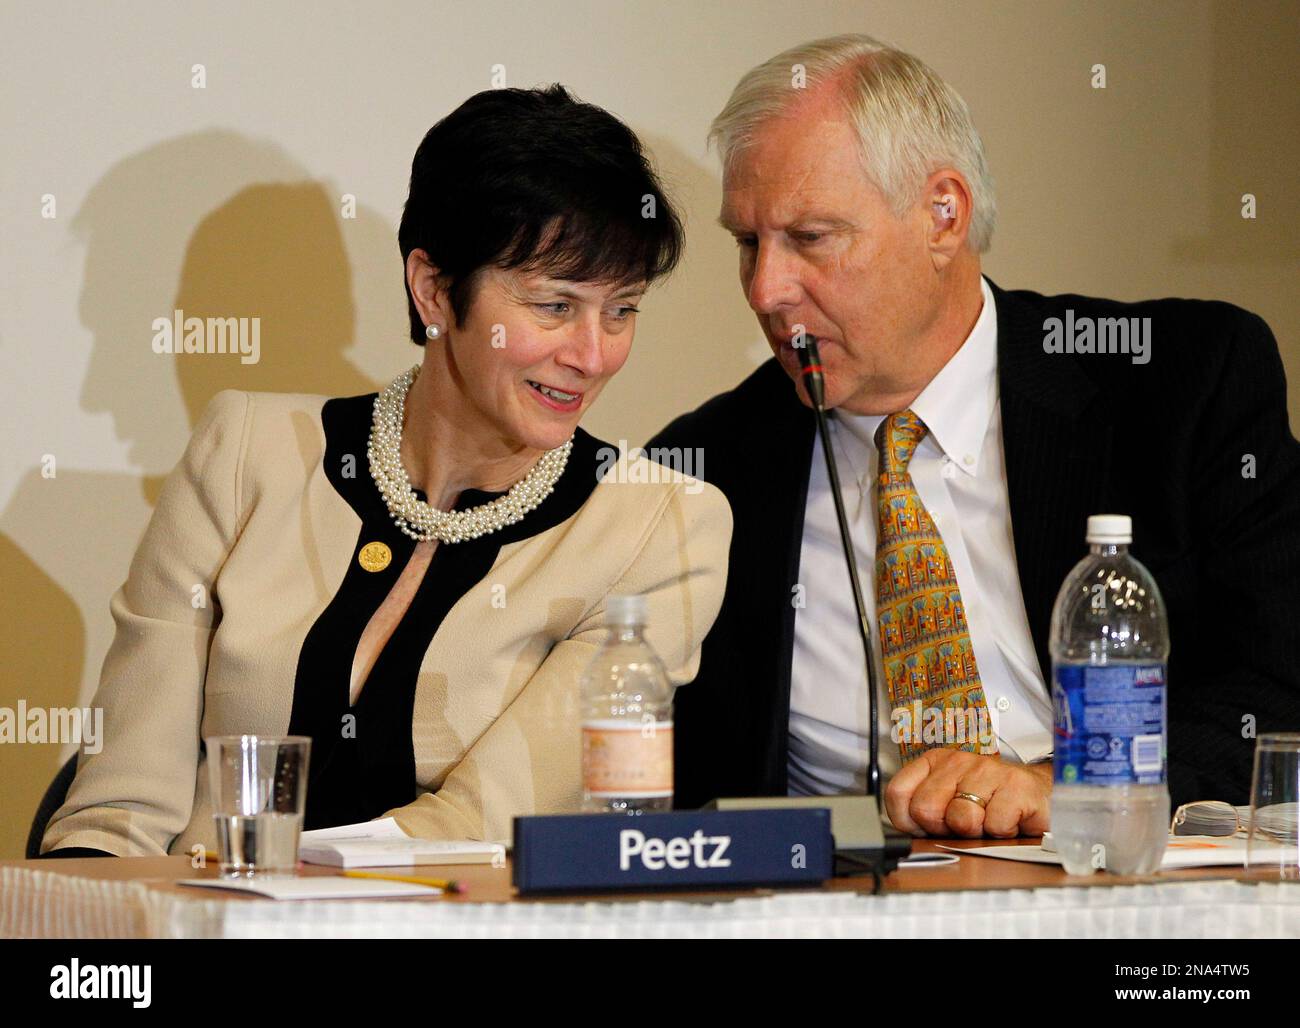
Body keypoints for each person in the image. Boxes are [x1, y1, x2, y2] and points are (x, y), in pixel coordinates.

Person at [41, 85, 732, 858]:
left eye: (621, 310)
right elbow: (119, 805)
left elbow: (485, 821)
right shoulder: (246, 452)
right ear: (434, 288)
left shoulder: (658, 527)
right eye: (553, 305)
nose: (593, 354)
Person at [649, 34, 1300, 838]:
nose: (765, 289)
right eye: (748, 243)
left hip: (1127, 878)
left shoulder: (1182, 385)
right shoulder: (706, 471)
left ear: (943, 214)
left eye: (810, 238)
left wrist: (1068, 784)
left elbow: (1280, 688)